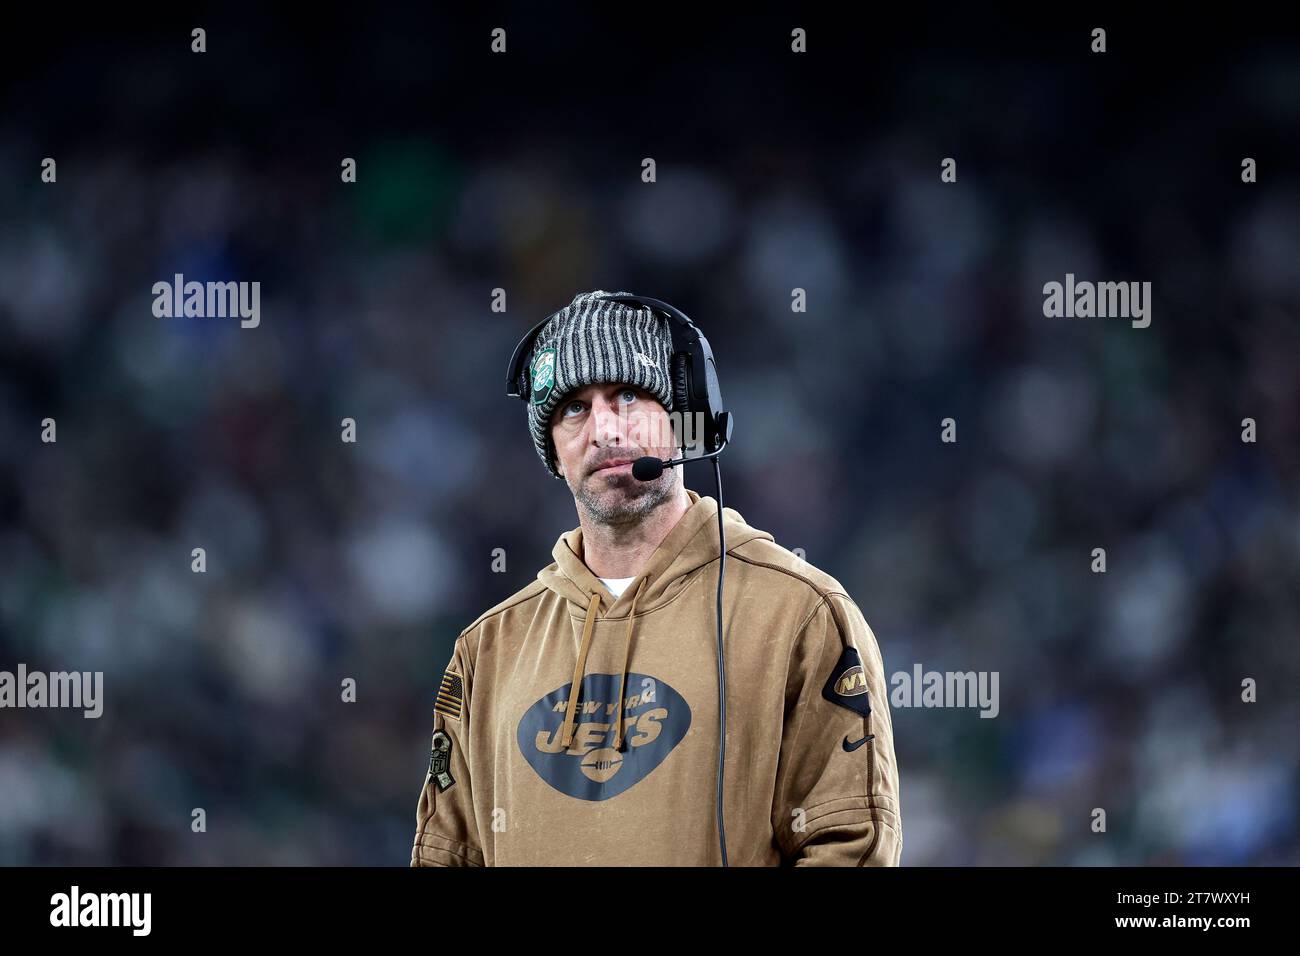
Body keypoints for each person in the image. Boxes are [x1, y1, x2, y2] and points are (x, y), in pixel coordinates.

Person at [410, 290, 901, 866]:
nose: (603, 428)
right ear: (554, 449)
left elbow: (850, 846)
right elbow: (445, 856)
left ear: (686, 417)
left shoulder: (801, 614)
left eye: (626, 395)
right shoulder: (486, 650)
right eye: (573, 408)